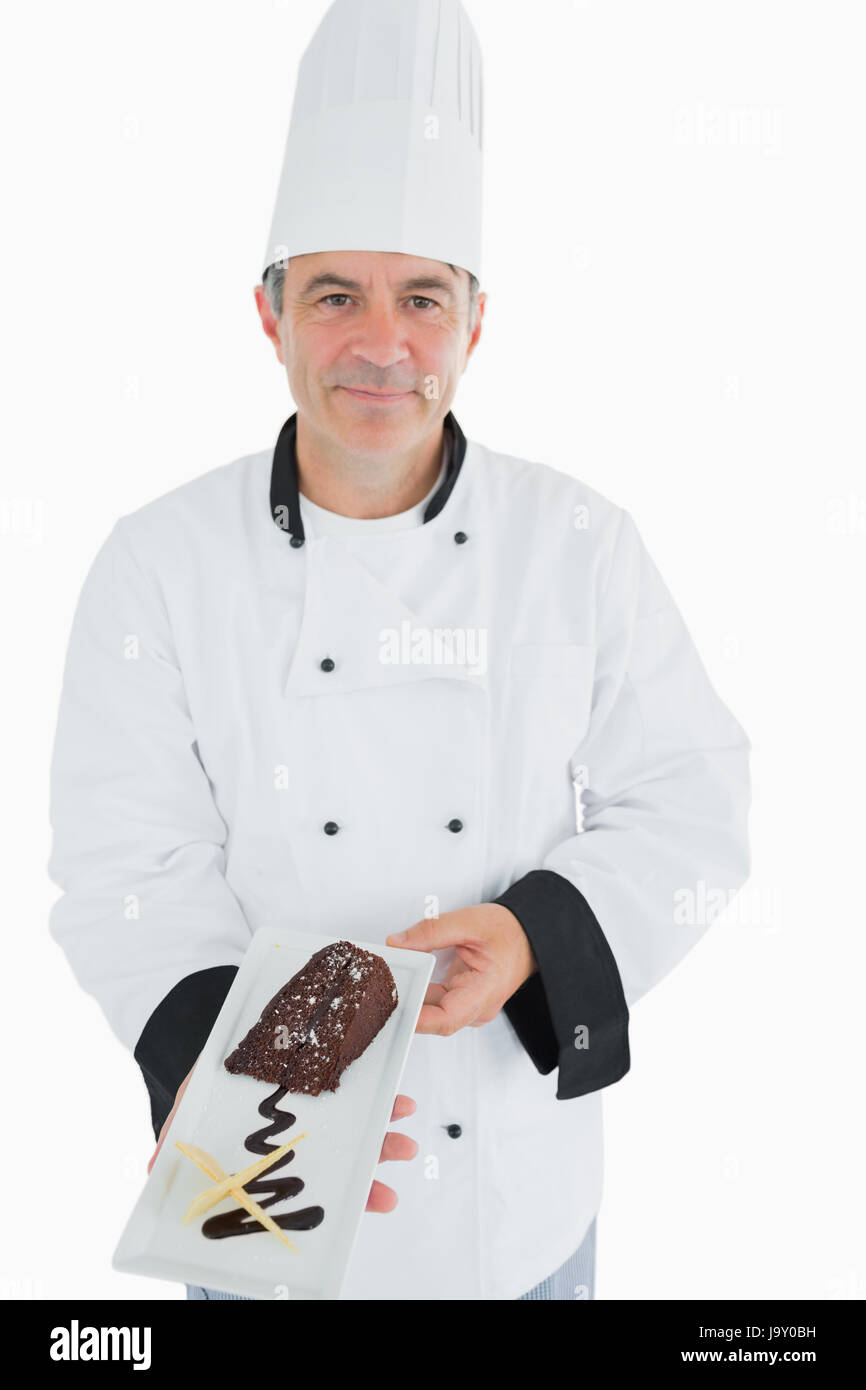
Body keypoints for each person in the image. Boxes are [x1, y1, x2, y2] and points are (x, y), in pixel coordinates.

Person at [47, 0, 750, 1301]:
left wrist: (537, 931)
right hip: (261, 1154)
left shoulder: (578, 545)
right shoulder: (158, 560)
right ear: (268, 314)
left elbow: (691, 803)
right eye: (334, 295)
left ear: (475, 321)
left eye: (422, 298)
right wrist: (232, 1065)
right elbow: (120, 859)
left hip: (513, 1198)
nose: (382, 344)